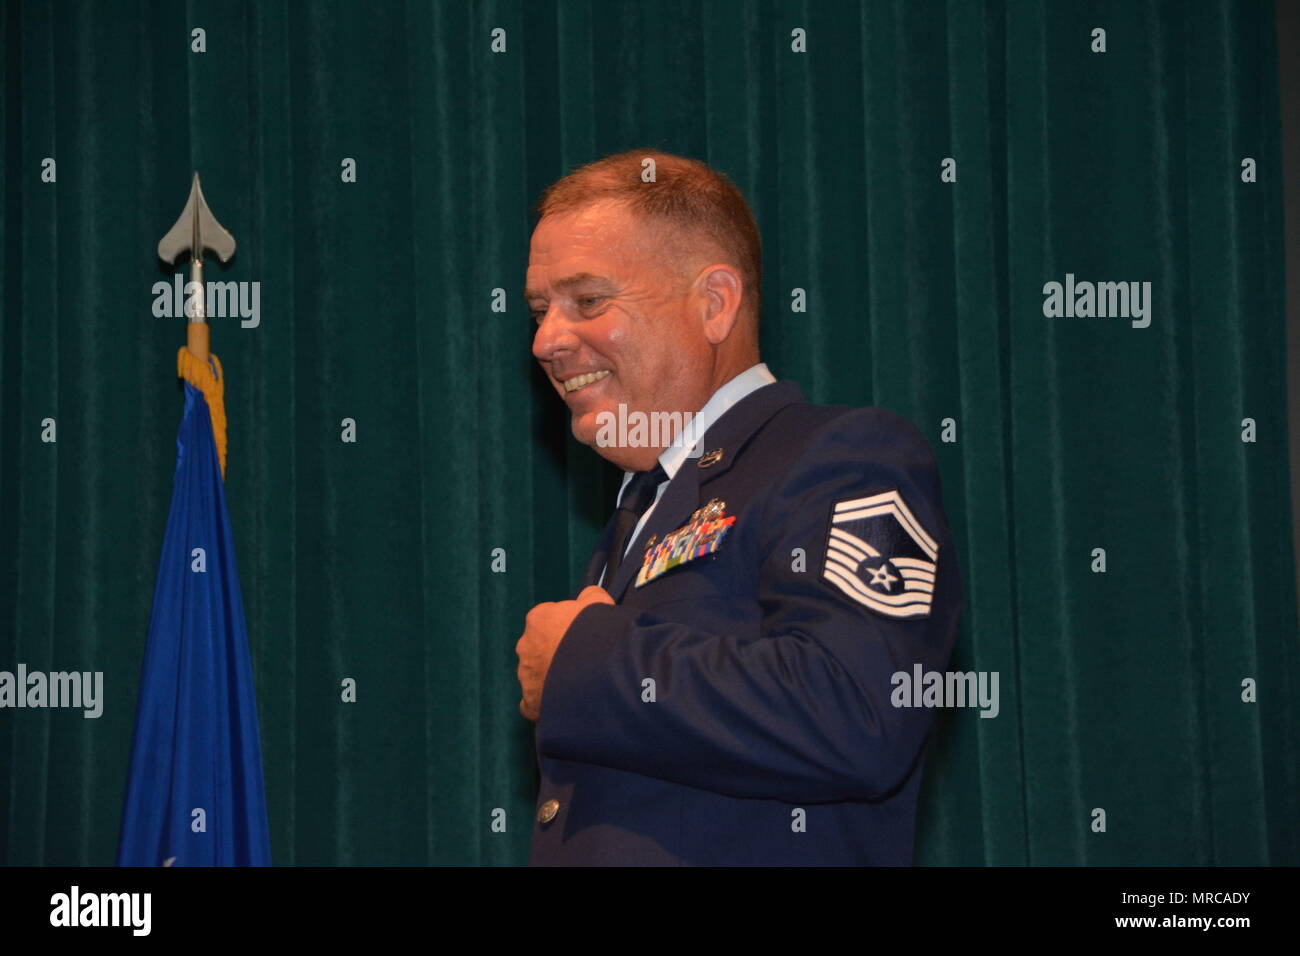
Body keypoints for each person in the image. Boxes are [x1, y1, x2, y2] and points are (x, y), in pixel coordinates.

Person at [517, 148, 962, 865]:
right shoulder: (646, 507)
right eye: (541, 311)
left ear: (714, 303)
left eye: (588, 301)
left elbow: (858, 712)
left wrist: (581, 663)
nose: (546, 341)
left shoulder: (844, 458)